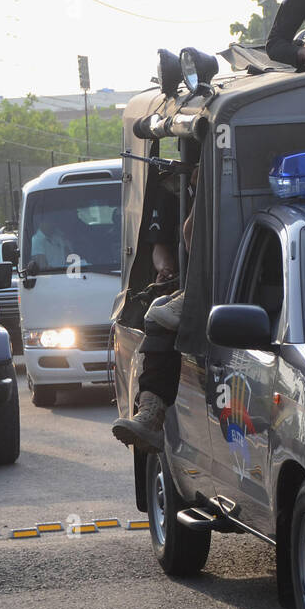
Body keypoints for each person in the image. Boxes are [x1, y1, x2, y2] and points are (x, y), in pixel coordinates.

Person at [112, 170, 197, 451]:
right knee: (160, 311)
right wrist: (166, 268)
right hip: (193, 286)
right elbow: (163, 248)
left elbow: (191, 231)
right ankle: (150, 414)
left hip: (231, 289)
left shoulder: (229, 180)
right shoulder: (172, 188)